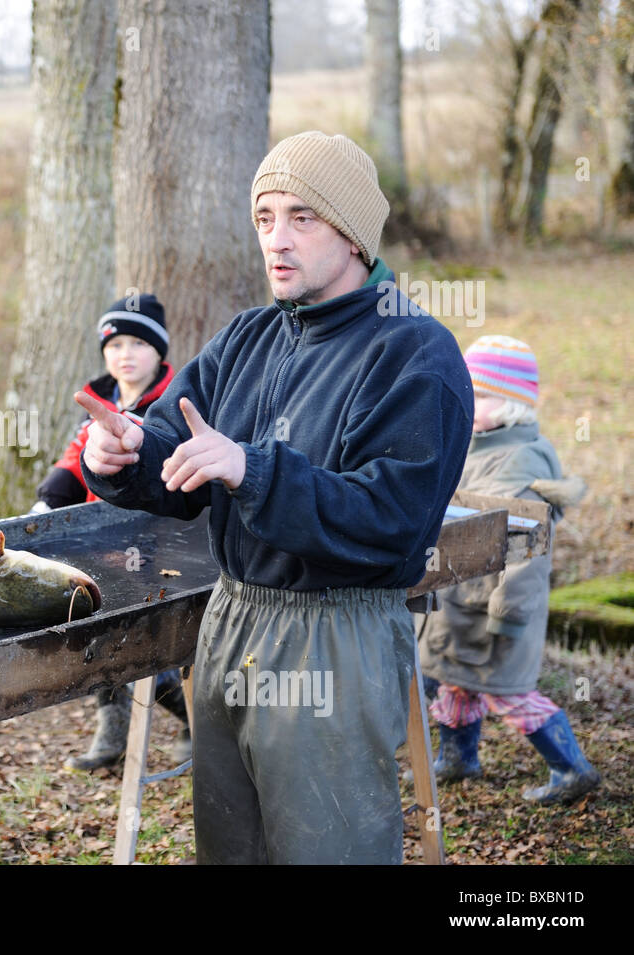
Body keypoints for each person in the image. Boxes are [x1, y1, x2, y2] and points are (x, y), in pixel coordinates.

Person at [80, 131, 474, 864]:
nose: (276, 240)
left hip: (335, 638)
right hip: (231, 623)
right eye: (264, 218)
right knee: (233, 849)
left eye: (302, 217)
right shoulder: (248, 337)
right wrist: (123, 455)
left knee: (330, 851)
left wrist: (253, 471)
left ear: (354, 235)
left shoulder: (415, 352)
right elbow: (174, 449)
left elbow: (390, 521)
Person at [419, 335, 598, 805]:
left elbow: (526, 552)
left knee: (508, 694)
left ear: (514, 405)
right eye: (468, 390)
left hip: (491, 609)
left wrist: (508, 614)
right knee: (454, 681)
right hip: (458, 598)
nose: (470, 403)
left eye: (483, 395)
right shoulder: (474, 445)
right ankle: (459, 756)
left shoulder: (518, 464)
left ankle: (571, 768)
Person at [30, 295, 191, 770]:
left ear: (159, 352)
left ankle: (191, 718)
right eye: (116, 343)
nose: (126, 353)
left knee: (139, 643)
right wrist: (49, 501)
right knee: (97, 631)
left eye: (138, 343)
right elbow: (75, 458)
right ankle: (112, 730)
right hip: (99, 543)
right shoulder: (96, 402)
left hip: (156, 543)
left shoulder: (171, 402)